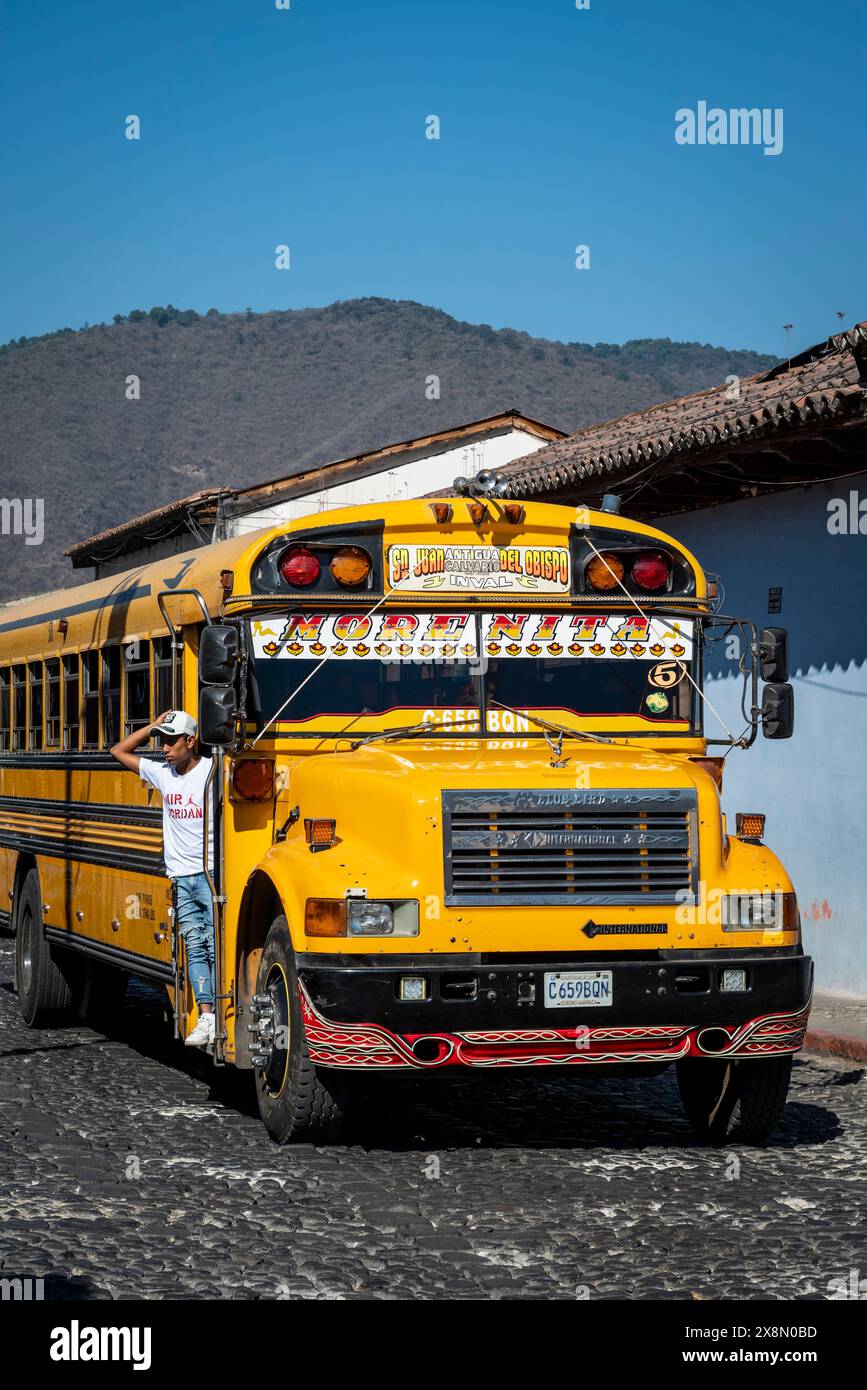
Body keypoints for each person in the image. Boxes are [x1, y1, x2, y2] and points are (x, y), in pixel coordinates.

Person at [111, 710, 216, 1049]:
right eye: (163, 741)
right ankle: (207, 1016)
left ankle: (223, 1014)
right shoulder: (163, 774)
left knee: (215, 946)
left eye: (172, 741)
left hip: (211, 874)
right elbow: (118, 751)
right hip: (181, 877)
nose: (165, 747)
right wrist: (151, 726)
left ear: (191, 741)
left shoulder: (212, 773)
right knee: (195, 947)